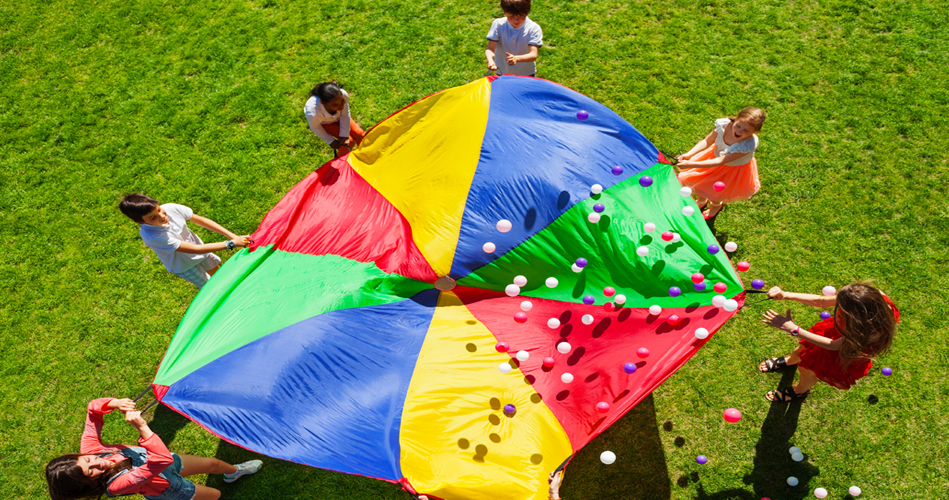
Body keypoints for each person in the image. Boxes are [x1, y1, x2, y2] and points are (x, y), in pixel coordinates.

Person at [45, 397, 262, 500]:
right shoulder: (117, 485)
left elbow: (93, 409)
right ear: (87, 484)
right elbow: (160, 460)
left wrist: (114, 403)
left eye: (86, 460)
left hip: (164, 463)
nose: (97, 462)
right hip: (170, 488)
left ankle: (234, 472)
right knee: (215, 495)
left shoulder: (90, 449)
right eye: (90, 471)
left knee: (213, 463)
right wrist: (142, 427)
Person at [758, 282, 900, 402]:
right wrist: (786, 295)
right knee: (801, 350)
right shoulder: (870, 298)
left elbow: (834, 345)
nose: (836, 306)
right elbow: (821, 301)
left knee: (808, 371)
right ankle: (791, 360)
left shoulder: (868, 331)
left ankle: (799, 391)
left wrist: (794, 329)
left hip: (841, 353)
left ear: (855, 318)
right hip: (835, 334)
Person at [119, 194, 250, 289]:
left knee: (218, 273)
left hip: (203, 251)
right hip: (185, 266)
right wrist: (230, 243)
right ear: (141, 222)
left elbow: (201, 220)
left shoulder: (171, 208)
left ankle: (234, 289)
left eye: (158, 209)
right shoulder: (152, 237)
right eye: (153, 217)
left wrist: (232, 235)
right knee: (210, 287)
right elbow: (194, 249)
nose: (162, 216)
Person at [675, 107, 766, 219]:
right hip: (711, 159)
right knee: (700, 184)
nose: (739, 131)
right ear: (736, 119)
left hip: (731, 170)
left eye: (746, 130)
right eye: (738, 125)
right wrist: (689, 154)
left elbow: (720, 161)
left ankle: (716, 206)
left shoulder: (748, 144)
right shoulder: (723, 125)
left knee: (717, 194)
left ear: (755, 132)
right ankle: (702, 200)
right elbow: (707, 141)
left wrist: (690, 165)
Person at [304, 82, 365, 158]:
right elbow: (315, 126)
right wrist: (330, 141)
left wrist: (344, 134)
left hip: (340, 117)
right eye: (335, 105)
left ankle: (365, 154)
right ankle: (340, 161)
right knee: (349, 142)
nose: (341, 107)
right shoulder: (313, 111)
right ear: (323, 103)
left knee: (360, 134)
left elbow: (345, 114)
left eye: (343, 102)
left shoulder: (342, 95)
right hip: (326, 123)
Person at [485, 0, 543, 77]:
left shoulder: (533, 28)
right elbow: (490, 49)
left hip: (526, 73)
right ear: (504, 12)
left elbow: (533, 54)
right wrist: (490, 61)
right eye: (511, 16)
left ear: (527, 13)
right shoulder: (498, 24)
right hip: (502, 71)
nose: (516, 20)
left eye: (521, 16)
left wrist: (516, 58)